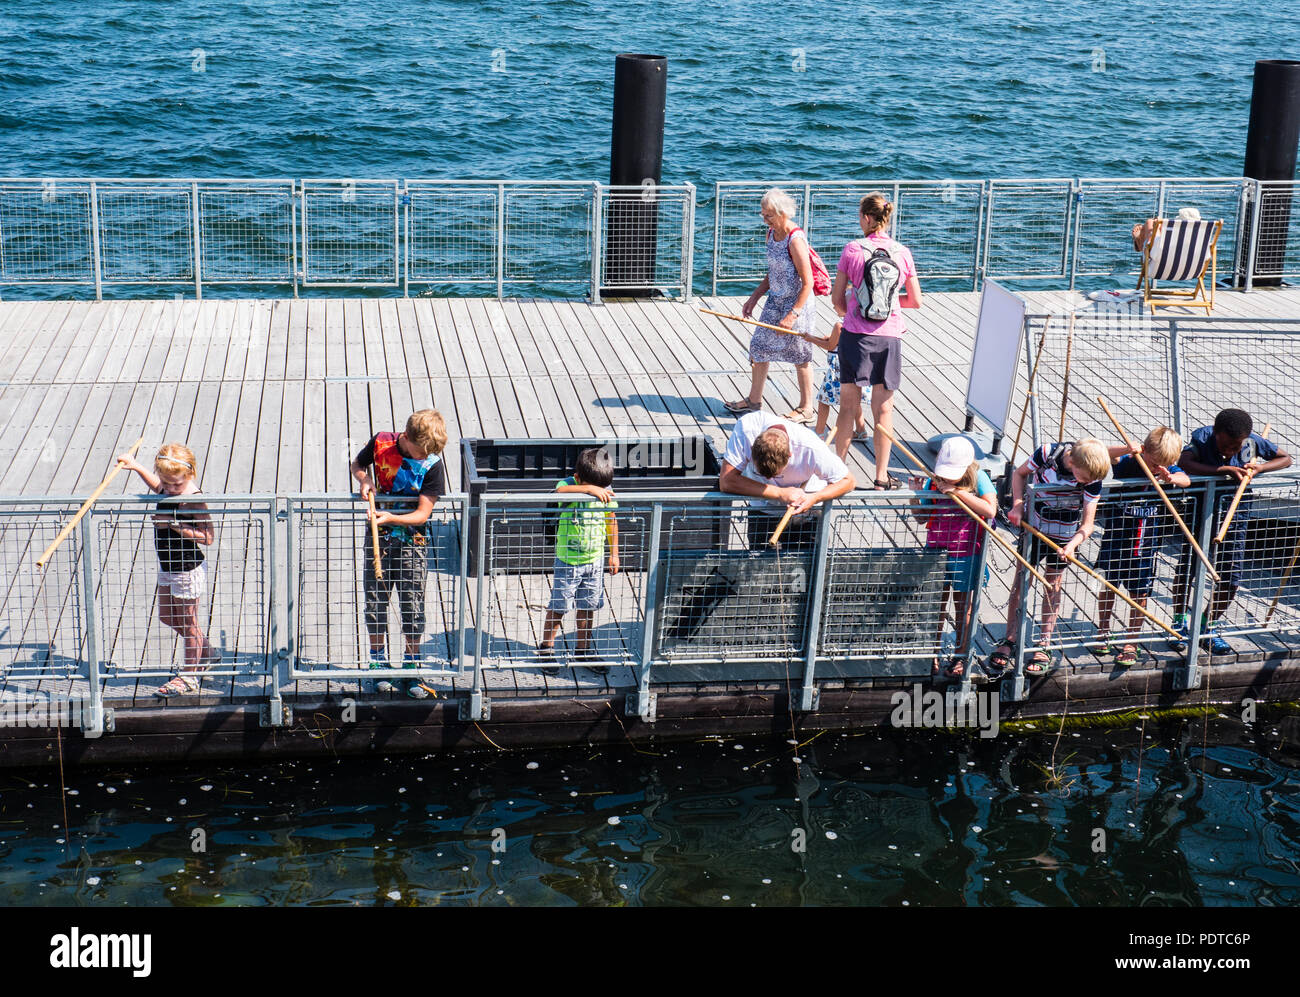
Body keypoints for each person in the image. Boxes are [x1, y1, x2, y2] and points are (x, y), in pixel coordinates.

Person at [1171, 408, 1291, 654]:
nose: (1231, 451)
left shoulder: (1250, 443)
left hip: (1236, 516)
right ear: (1216, 434)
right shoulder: (1202, 438)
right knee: (1188, 569)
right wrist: (1223, 470)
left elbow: (1285, 459)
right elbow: (1184, 463)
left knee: (1232, 577)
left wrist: (1259, 469)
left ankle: (1208, 625)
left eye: (1235, 448)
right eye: (1226, 446)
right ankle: (1178, 623)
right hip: (1201, 513)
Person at [987, 439, 1111, 677]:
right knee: (1020, 584)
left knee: (1053, 586)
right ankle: (1010, 638)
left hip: (1063, 536)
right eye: (1080, 478)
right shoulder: (1047, 454)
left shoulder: (1092, 476)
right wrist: (1017, 505)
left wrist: (1073, 545)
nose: (1082, 483)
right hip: (1034, 529)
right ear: (1072, 461)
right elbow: (1020, 474)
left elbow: (1088, 524)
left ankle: (1044, 643)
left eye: (1084, 481)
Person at [351, 409, 449, 699]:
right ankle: (377, 662)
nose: (424, 457)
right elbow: (358, 463)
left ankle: (411, 665)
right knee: (375, 599)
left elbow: (422, 514)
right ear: (406, 438)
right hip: (378, 538)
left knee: (412, 603)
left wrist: (392, 517)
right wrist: (364, 479)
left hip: (412, 542)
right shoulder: (381, 442)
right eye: (420, 452)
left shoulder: (433, 464)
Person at [830, 192, 922, 489]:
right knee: (883, 410)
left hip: (856, 336)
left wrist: (853, 311)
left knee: (847, 407)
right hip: (889, 337)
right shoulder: (902, 252)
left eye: (860, 216)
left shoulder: (852, 250)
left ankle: (839, 472)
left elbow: (837, 298)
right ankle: (881, 476)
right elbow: (916, 300)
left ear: (868, 218)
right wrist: (892, 305)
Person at [117, 443, 218, 697]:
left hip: (187, 567)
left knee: (189, 622)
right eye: (168, 484)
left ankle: (189, 676)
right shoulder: (168, 486)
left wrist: (173, 525)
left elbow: (208, 537)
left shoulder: (193, 500)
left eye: (176, 485)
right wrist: (135, 465)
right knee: (166, 616)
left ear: (190, 474)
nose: (170, 490)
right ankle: (205, 650)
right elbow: (157, 486)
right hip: (168, 564)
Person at [1091, 427, 1190, 667]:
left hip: (1145, 544)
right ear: (1144, 450)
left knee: (1140, 593)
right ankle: (1104, 630)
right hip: (1115, 538)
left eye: (1162, 464)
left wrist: (1170, 478)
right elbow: (1102, 452)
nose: (1156, 467)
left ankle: (1131, 641)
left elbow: (1185, 480)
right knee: (1108, 586)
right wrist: (1128, 448)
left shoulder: (1167, 469)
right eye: (1153, 462)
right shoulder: (1129, 462)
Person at [723, 188, 817, 424]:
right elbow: (773, 272)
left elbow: (809, 282)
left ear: (783, 213)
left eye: (769, 216)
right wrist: (754, 297)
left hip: (797, 304)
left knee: (800, 354)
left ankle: (807, 408)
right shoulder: (771, 234)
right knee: (758, 346)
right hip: (775, 300)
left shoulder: (795, 240)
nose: (765, 220)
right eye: (763, 215)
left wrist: (792, 315)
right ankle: (754, 401)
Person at [909, 436, 997, 681]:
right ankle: (932, 652)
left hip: (966, 552)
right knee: (935, 605)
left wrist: (958, 492)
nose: (946, 479)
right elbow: (921, 518)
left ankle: (961, 654)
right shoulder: (934, 482)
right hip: (936, 552)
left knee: (963, 606)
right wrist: (915, 495)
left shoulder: (979, 478)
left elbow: (990, 510)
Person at [719, 410, 857, 550]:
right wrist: (780, 493)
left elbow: (848, 481)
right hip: (763, 509)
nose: (770, 479)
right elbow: (727, 481)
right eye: (764, 475)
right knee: (762, 566)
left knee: (809, 565)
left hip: (808, 511)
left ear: (790, 455)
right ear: (751, 449)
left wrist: (814, 498)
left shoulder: (810, 447)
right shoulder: (746, 429)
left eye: (775, 474)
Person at [538, 447, 620, 672]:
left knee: (588, 606)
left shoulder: (605, 490)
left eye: (602, 486)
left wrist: (614, 554)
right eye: (597, 486)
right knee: (559, 606)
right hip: (567, 561)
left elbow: (611, 521)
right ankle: (546, 648)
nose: (599, 490)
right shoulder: (569, 484)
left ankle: (582, 651)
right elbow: (558, 492)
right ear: (579, 478)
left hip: (595, 561)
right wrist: (587, 489)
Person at [797, 319, 869, 442]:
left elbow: (830, 346)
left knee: (824, 399)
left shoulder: (840, 325)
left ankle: (819, 432)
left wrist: (812, 339)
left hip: (839, 368)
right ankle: (861, 431)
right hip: (857, 365)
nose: (834, 306)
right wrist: (832, 337)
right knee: (854, 398)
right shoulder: (862, 321)